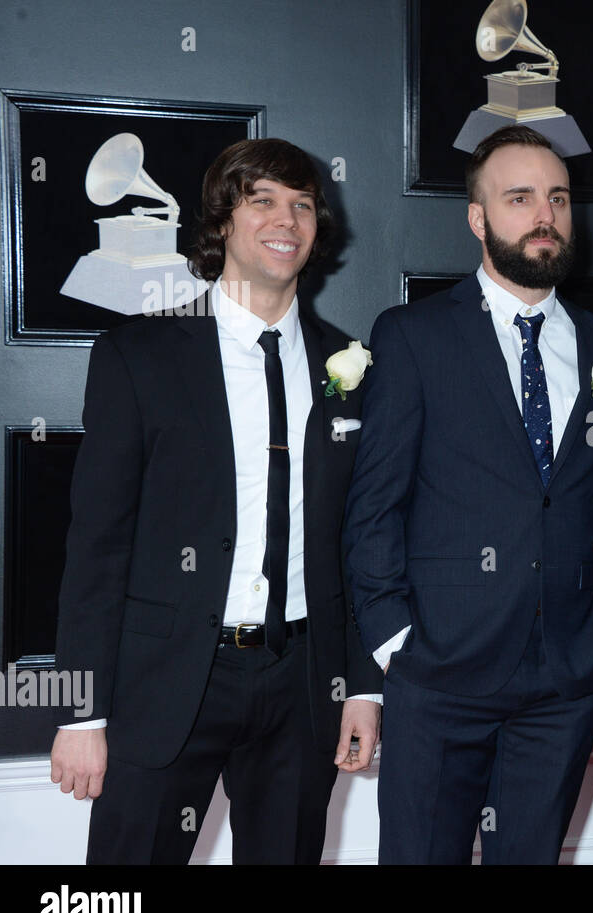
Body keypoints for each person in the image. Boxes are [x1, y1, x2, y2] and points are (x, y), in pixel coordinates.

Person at [49, 137, 383, 864]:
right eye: (261, 198)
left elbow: (362, 540)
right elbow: (96, 546)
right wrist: (83, 709)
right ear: (222, 219)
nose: (285, 218)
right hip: (163, 681)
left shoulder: (349, 367)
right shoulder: (137, 356)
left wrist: (363, 686)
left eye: (302, 204)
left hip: (302, 678)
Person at [343, 124, 593, 865]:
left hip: (567, 677)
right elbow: (375, 502)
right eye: (519, 198)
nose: (546, 215)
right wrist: (394, 642)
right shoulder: (412, 337)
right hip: (438, 673)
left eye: (559, 198)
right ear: (478, 218)